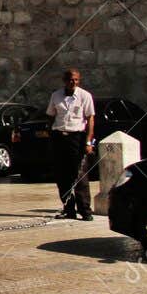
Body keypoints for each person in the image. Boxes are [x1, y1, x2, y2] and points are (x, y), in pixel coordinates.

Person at [47, 68, 96, 220]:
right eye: (70, 80)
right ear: (64, 80)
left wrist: (88, 141)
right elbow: (50, 116)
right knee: (62, 176)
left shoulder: (85, 96)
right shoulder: (56, 96)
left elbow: (90, 119)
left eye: (75, 80)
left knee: (79, 175)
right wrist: (51, 133)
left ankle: (85, 210)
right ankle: (69, 209)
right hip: (60, 137)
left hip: (77, 138)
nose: (72, 82)